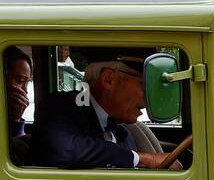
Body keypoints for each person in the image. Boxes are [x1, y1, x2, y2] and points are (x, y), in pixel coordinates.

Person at [31, 53, 177, 170]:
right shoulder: (59, 107)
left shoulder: (124, 128)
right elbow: (69, 150)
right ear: (109, 79)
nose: (149, 96)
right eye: (143, 84)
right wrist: (146, 159)